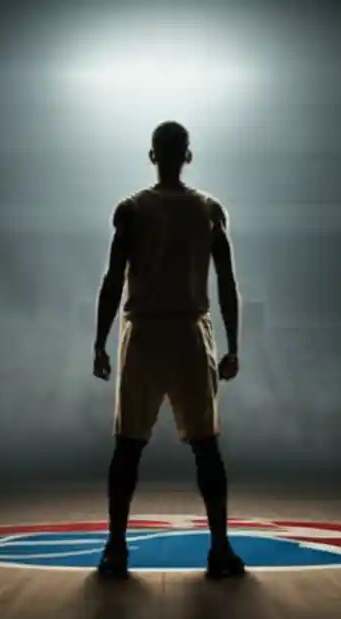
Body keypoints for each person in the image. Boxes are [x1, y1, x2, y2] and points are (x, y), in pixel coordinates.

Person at [92, 120, 246, 580]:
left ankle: (116, 550)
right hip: (189, 334)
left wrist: (99, 342)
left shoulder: (132, 210)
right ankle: (219, 550)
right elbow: (228, 284)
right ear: (189, 155)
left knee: (128, 447)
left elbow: (112, 280)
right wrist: (234, 345)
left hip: (142, 334)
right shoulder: (210, 210)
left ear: (152, 155)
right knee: (206, 448)